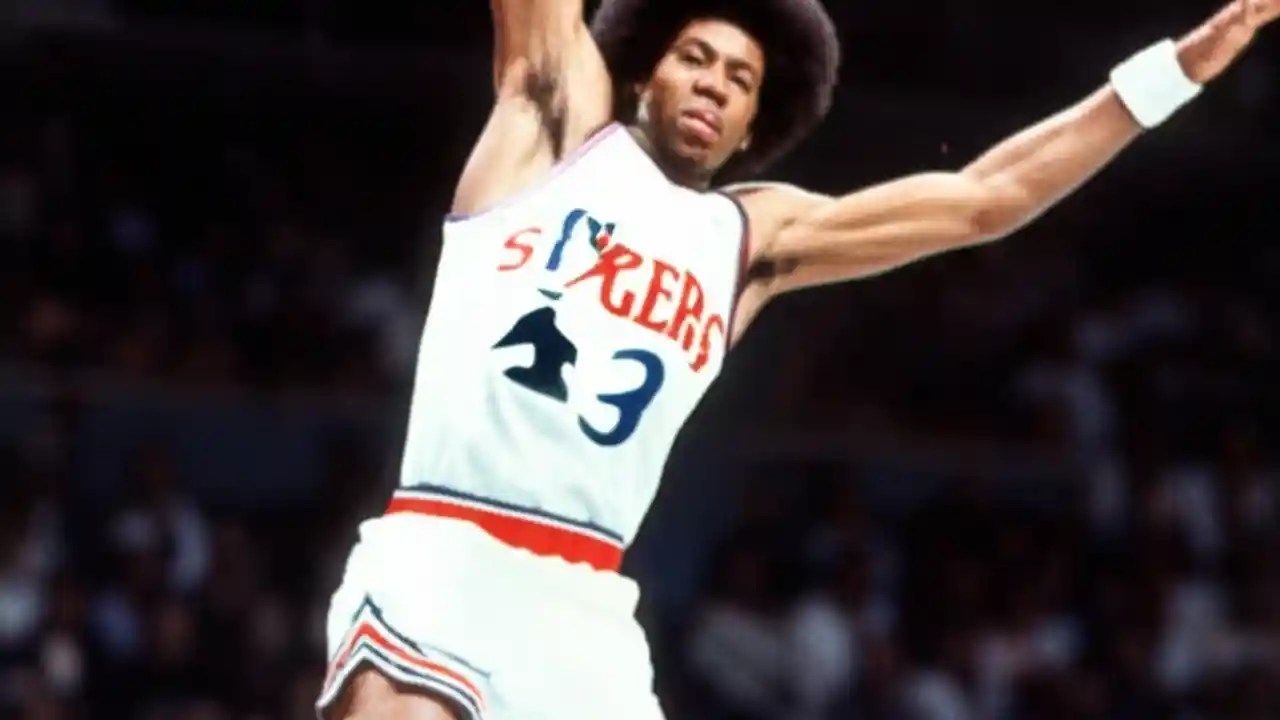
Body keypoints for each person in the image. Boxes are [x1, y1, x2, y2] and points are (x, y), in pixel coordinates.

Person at [317, 0, 1278, 718]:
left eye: (740, 80)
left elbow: (986, 198)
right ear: (644, 73)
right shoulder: (553, 126)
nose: (714, 84)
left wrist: (1173, 74)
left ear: (753, 123)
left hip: (586, 607)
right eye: (695, 58)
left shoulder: (751, 238)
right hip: (447, 548)